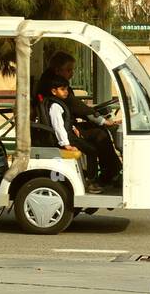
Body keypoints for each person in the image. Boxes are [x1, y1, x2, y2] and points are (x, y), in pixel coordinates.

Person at [36, 50, 122, 185]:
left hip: (69, 126)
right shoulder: (56, 89)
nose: (72, 73)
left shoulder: (53, 85)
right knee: (100, 134)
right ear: (58, 70)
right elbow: (77, 107)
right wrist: (102, 120)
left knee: (99, 131)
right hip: (64, 132)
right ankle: (110, 173)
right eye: (69, 70)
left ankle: (111, 171)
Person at [36, 74, 102, 194]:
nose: (66, 92)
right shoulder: (55, 106)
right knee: (92, 150)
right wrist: (65, 144)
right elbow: (58, 126)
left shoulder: (59, 103)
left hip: (69, 136)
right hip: (65, 139)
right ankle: (91, 181)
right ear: (54, 91)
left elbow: (65, 121)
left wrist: (72, 128)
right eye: (62, 89)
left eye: (66, 89)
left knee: (89, 147)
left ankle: (87, 177)